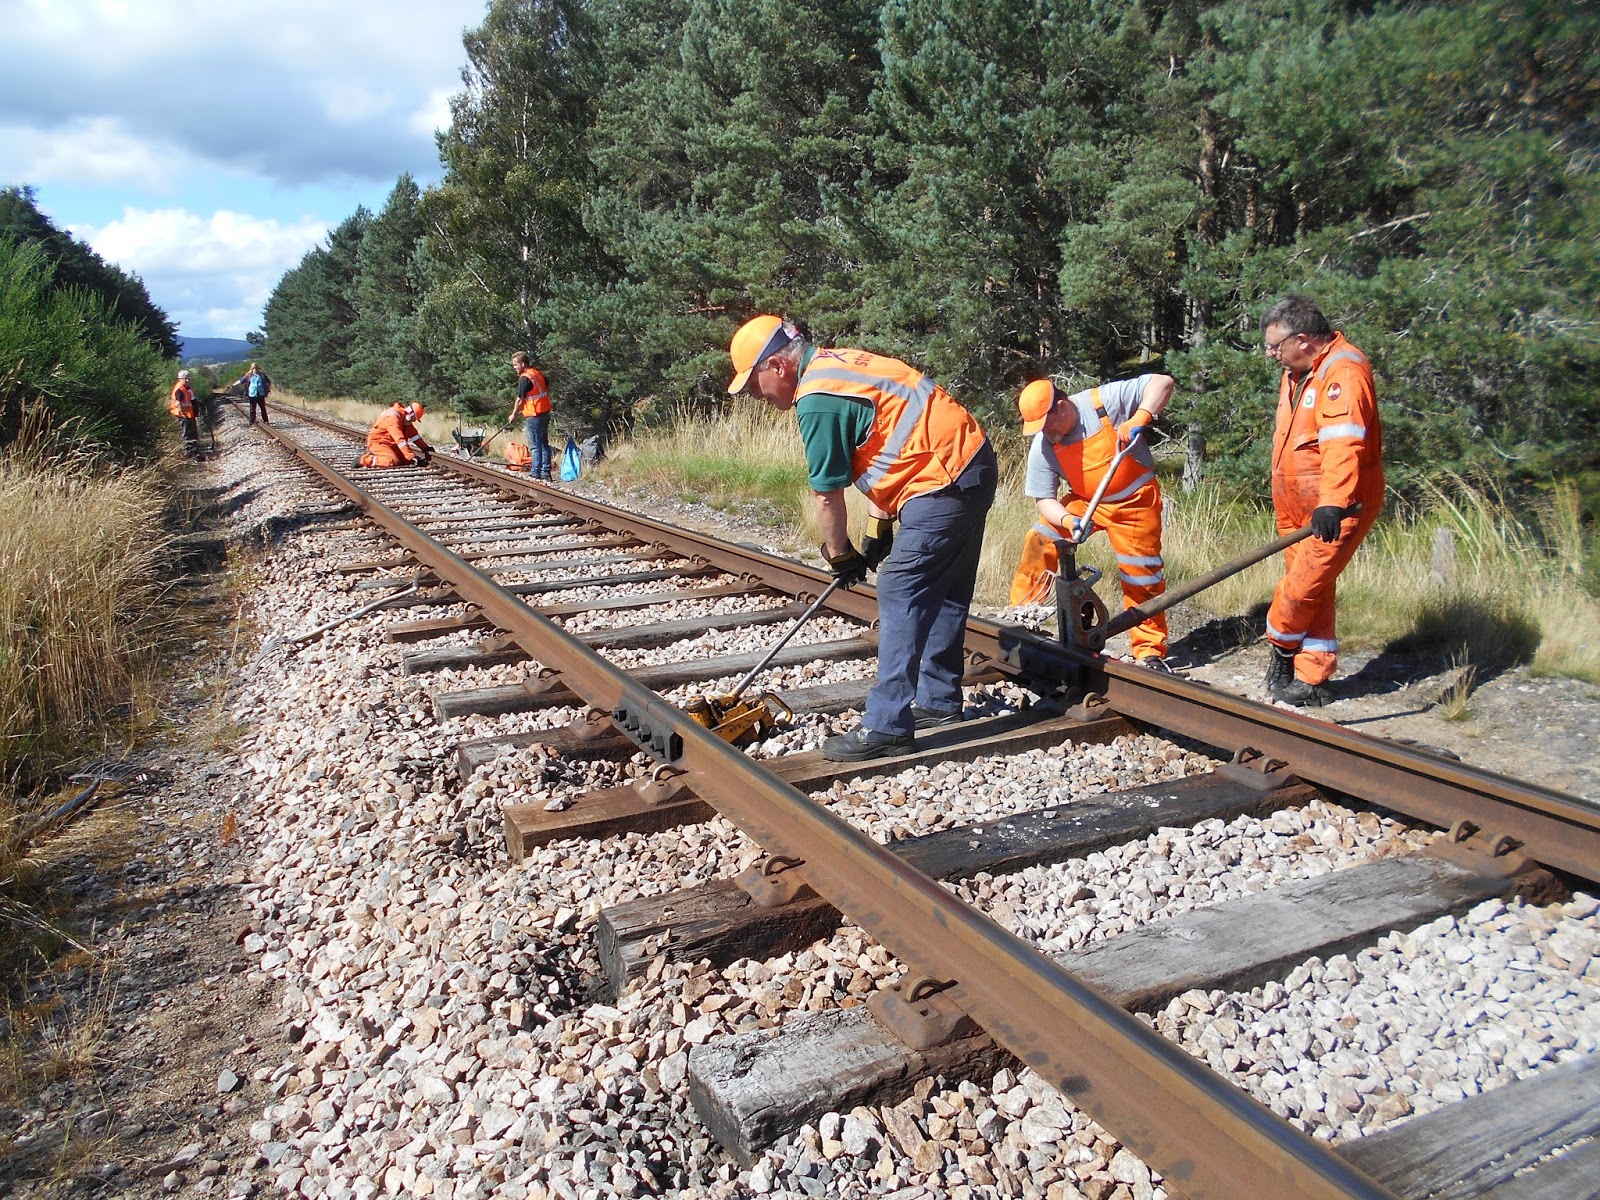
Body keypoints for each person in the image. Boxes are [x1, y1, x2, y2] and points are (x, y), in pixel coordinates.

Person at [728, 315, 997, 761]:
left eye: (754, 384)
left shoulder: (817, 398)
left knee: (899, 585)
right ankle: (940, 702)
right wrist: (878, 529)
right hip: (970, 462)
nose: (755, 395)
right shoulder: (839, 364)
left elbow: (827, 497)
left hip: (941, 480)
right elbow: (887, 444)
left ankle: (888, 724)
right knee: (946, 591)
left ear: (777, 365)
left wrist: (840, 556)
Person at [1260, 294, 1384, 706]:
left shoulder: (1342, 371)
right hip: (1295, 502)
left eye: (1276, 345)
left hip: (1334, 505)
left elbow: (1343, 443)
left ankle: (1281, 647)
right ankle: (1312, 678)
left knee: (1300, 588)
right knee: (1317, 589)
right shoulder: (1297, 372)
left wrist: (1332, 501)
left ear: (1304, 340)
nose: (1270, 353)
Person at [1011, 373, 1174, 669]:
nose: (1045, 431)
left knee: (1142, 575)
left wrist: (1140, 416)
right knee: (1040, 538)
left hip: (1135, 502)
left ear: (1061, 406)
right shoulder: (1045, 445)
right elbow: (1044, 500)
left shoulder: (1103, 402)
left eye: (1047, 423)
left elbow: (1163, 382)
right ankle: (1023, 620)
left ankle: (1149, 650)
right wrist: (1067, 518)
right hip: (1086, 503)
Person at [506, 351, 553, 482]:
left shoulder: (524, 378)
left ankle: (535, 472)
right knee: (544, 444)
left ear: (522, 364)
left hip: (533, 415)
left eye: (515, 365)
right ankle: (546, 472)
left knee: (535, 445)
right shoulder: (537, 373)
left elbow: (520, 399)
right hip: (544, 412)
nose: (514, 367)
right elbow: (541, 390)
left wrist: (514, 414)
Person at [359, 401, 430, 468]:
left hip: (391, 444)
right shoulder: (393, 417)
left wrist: (425, 448)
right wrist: (410, 455)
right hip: (378, 443)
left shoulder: (404, 418)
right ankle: (364, 460)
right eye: (414, 419)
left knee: (408, 461)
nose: (414, 421)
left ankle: (383, 455)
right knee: (392, 461)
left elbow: (414, 436)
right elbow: (399, 439)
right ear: (411, 413)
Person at [168, 369, 199, 457]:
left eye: (188, 378)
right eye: (185, 379)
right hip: (183, 416)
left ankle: (195, 453)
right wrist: (184, 414)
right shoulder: (179, 389)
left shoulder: (187, 388)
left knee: (193, 434)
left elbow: (192, 400)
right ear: (180, 379)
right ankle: (188, 454)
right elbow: (178, 404)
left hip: (189, 415)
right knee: (186, 435)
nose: (188, 380)